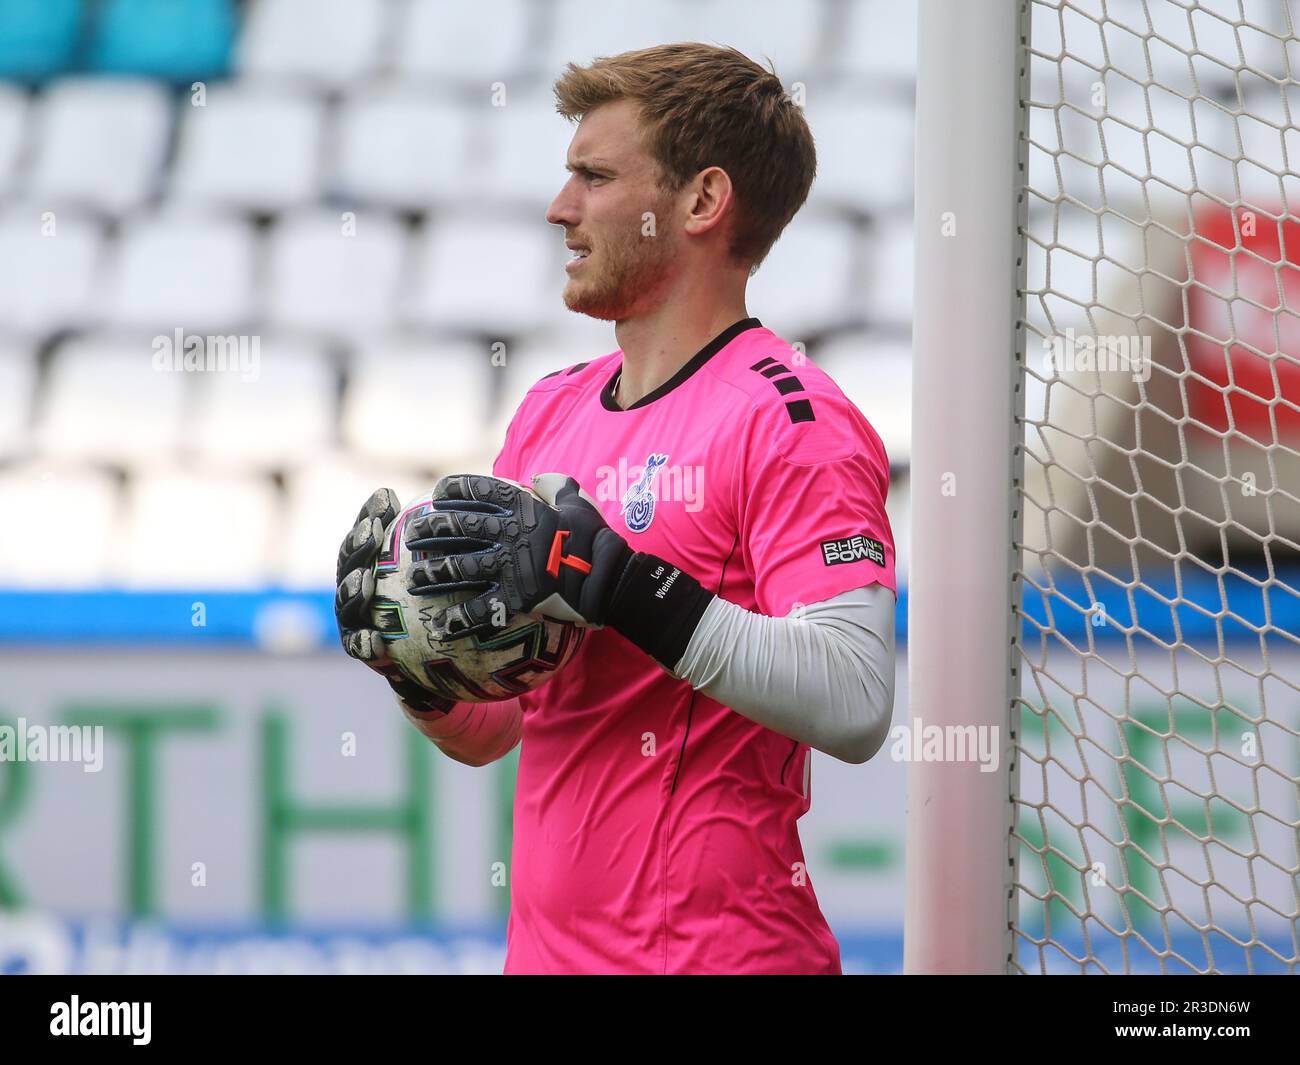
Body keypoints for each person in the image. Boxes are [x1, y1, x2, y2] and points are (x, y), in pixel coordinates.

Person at [335, 42, 897, 975]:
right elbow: (506, 725)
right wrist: (413, 662)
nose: (561, 209)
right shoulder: (551, 410)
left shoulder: (793, 418)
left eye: (594, 177)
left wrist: (623, 585)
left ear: (702, 202)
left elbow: (855, 697)